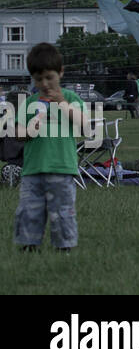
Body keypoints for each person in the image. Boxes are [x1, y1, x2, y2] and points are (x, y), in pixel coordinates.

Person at [13, 43, 87, 251]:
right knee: (29, 211)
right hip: (33, 171)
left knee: (62, 211)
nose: (44, 84)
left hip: (62, 169)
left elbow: (85, 125)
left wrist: (62, 104)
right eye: (38, 79)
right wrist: (28, 130)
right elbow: (17, 134)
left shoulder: (72, 99)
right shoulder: (29, 103)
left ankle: (64, 247)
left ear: (60, 73)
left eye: (49, 77)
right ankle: (29, 246)